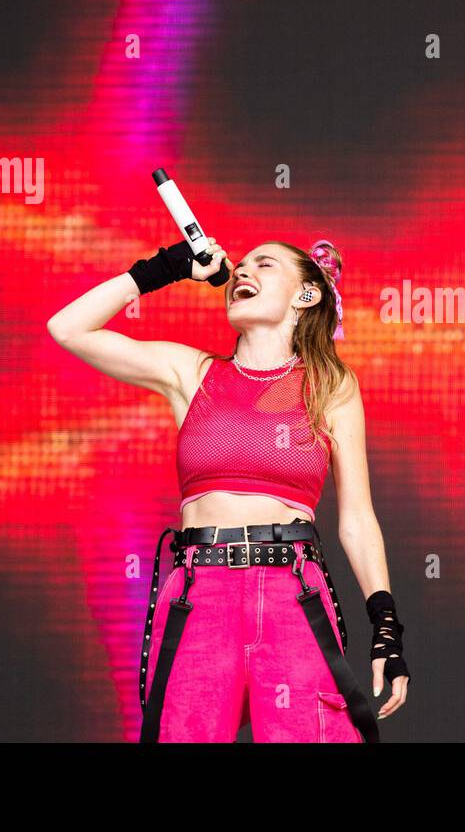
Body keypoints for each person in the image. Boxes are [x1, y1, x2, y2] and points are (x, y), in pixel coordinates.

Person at [46, 235, 410, 742]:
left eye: (264, 264)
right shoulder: (192, 373)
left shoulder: (331, 385)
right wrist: (162, 269)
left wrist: (386, 629)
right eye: (239, 266)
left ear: (306, 296)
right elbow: (66, 327)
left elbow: (356, 520)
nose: (242, 271)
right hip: (200, 596)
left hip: (293, 592)